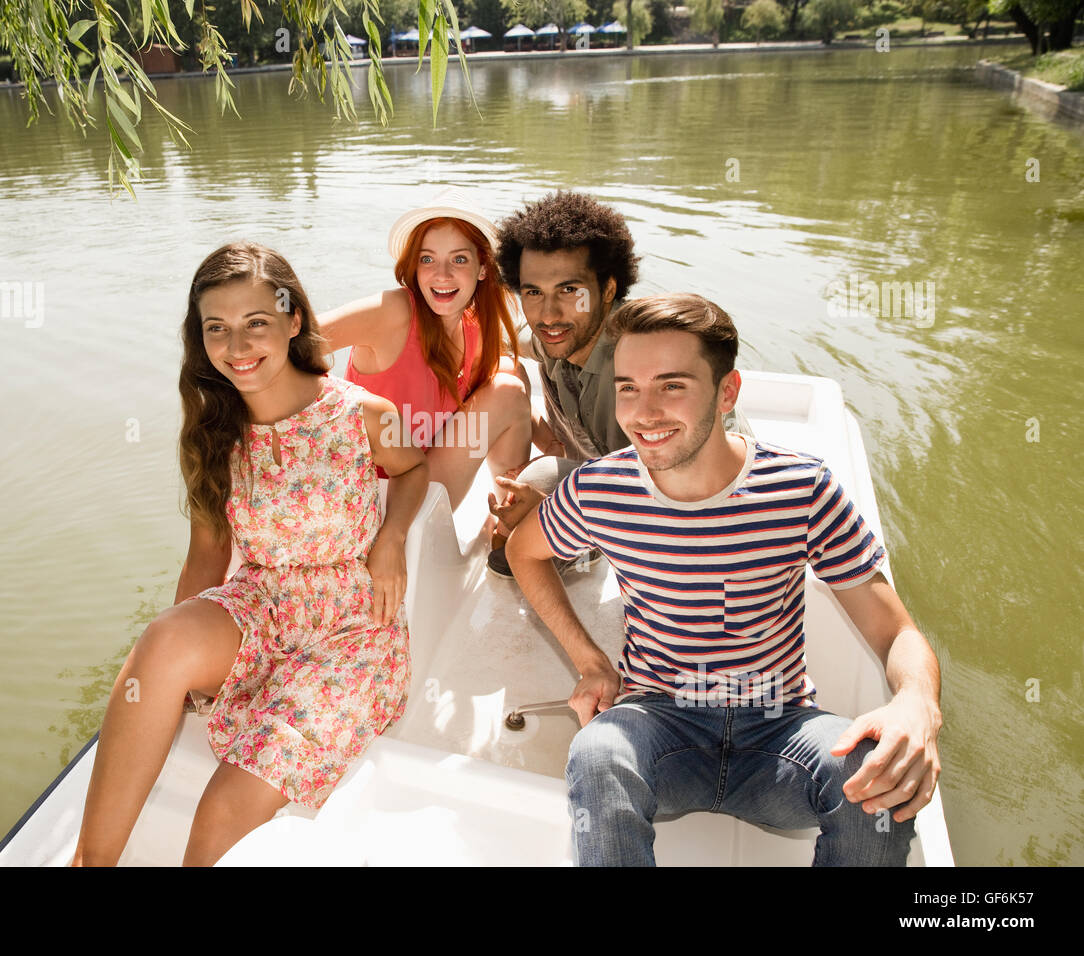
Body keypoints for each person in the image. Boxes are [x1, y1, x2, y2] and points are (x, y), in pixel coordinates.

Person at [506, 292, 943, 866]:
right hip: (658, 722)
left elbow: (896, 632)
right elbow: (524, 550)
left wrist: (916, 702)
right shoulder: (599, 489)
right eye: (628, 387)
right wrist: (589, 661)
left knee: (875, 775)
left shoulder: (801, 489)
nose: (644, 411)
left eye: (672, 385)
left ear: (728, 391)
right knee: (598, 752)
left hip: (780, 729)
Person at [71, 242, 429, 866]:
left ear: (294, 322)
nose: (237, 347)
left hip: (352, 629)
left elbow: (414, 467)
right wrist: (174, 675)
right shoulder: (212, 433)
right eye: (218, 329)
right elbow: (207, 555)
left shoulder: (364, 414)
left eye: (256, 323)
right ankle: (88, 864)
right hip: (261, 605)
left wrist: (392, 539)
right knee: (162, 641)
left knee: (221, 814)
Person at [488, 190, 751, 578]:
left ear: (608, 290)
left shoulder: (644, 358)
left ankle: (589, 539)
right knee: (512, 529)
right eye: (533, 292)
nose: (548, 313)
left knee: (523, 533)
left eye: (569, 290)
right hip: (613, 484)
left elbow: (700, 494)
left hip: (698, 518)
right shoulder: (556, 337)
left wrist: (568, 515)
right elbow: (504, 338)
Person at [318, 187, 533, 510]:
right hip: (370, 497)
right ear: (414, 267)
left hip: (421, 491)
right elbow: (293, 340)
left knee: (510, 377)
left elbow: (509, 371)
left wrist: (543, 433)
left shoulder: (474, 328)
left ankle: (507, 517)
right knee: (508, 390)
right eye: (427, 259)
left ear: (483, 268)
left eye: (459, 259)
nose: (441, 275)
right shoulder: (393, 311)